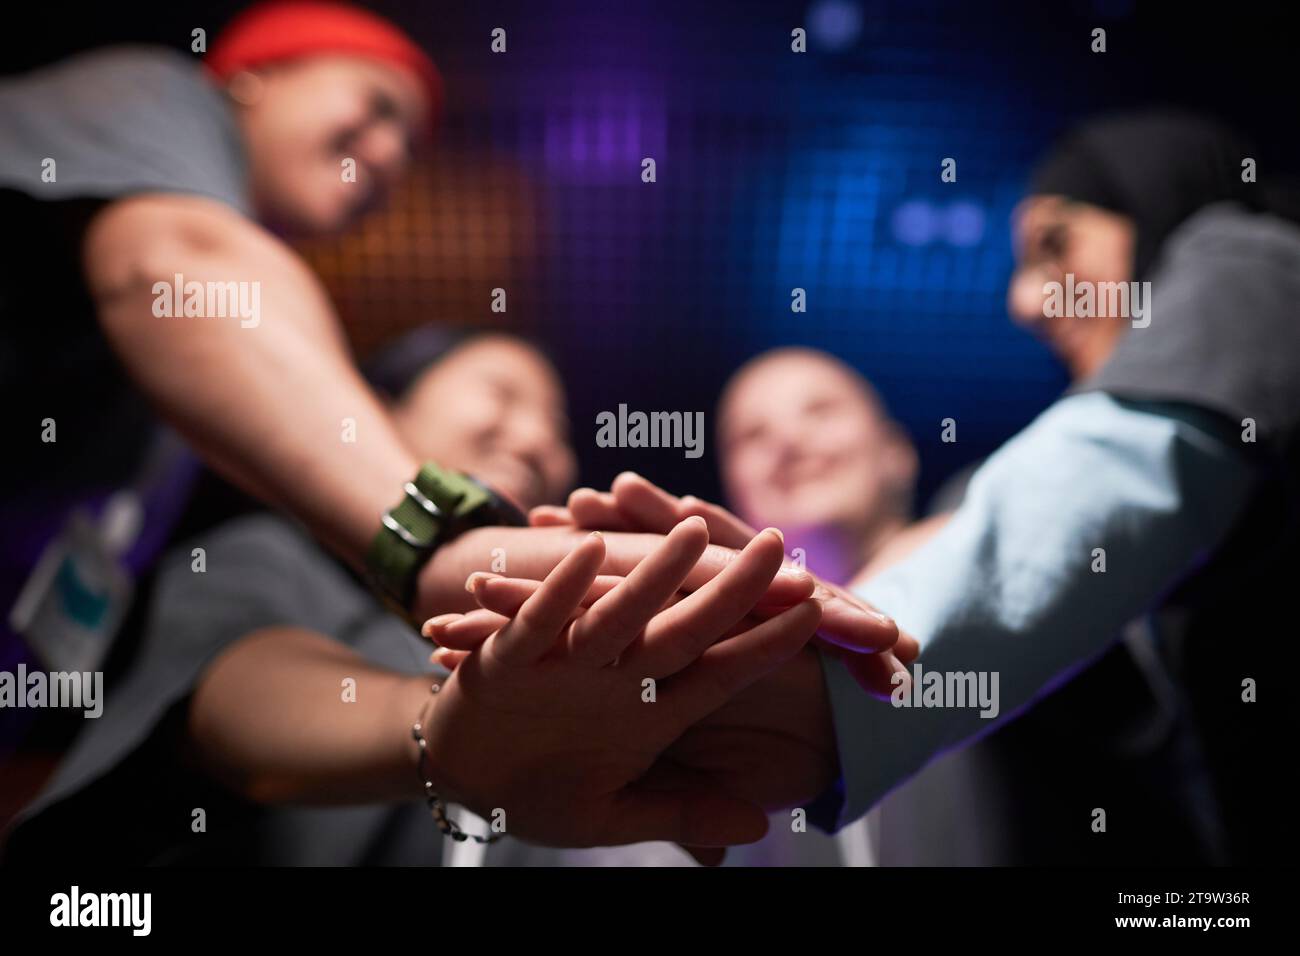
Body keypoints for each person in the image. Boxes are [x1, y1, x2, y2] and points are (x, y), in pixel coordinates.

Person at [0, 1, 902, 761]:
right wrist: (436, 543)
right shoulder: (160, 96)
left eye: (406, 140)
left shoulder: (168, 399)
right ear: (252, 75)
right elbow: (179, 256)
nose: (387, 154)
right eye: (374, 103)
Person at [514, 111, 1300, 864]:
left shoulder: (1246, 260)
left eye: (1054, 245)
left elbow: (1096, 481)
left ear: (898, 453)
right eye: (751, 436)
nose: (1027, 301)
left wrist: (813, 684)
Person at [1, 333, 848, 864]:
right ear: (377, 415)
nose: (537, 439)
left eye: (555, 424)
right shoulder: (278, 559)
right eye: (503, 395)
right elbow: (225, 695)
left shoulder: (563, 652)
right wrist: (441, 731)